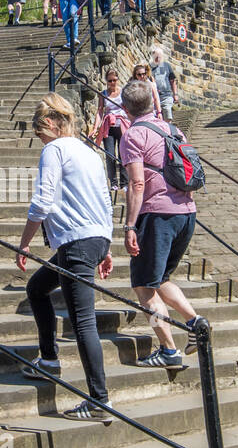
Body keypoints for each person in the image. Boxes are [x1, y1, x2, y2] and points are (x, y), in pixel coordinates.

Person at [16, 93, 115, 419]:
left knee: (84, 323)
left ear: (48, 124)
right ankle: (48, 359)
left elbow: (43, 200)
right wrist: (106, 244)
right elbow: (104, 198)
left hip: (77, 244)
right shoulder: (91, 153)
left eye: (39, 132)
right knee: (36, 289)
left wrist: (25, 242)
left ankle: (100, 400)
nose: (39, 140)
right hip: (92, 239)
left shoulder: (54, 149)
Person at [120, 78, 202, 367]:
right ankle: (195, 323)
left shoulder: (132, 136)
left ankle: (168, 350)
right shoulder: (173, 128)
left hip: (157, 216)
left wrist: (130, 226)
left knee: (144, 287)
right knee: (161, 278)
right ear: (152, 103)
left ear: (125, 107)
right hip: (187, 213)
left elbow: (137, 183)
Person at [92, 68, 129, 191]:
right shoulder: (103, 94)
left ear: (118, 79)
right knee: (110, 155)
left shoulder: (123, 92)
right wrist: (95, 127)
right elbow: (99, 111)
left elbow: (129, 108)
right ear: (106, 81)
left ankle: (124, 183)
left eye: (114, 80)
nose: (112, 83)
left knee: (123, 154)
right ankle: (113, 182)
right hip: (109, 126)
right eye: (109, 81)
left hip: (122, 125)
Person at [150, 46, 178, 121]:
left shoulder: (167, 65)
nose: (158, 59)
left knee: (168, 117)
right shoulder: (149, 68)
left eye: (159, 57)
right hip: (154, 98)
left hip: (166, 96)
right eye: (156, 57)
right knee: (156, 119)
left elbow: (172, 80)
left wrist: (175, 94)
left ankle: (168, 130)